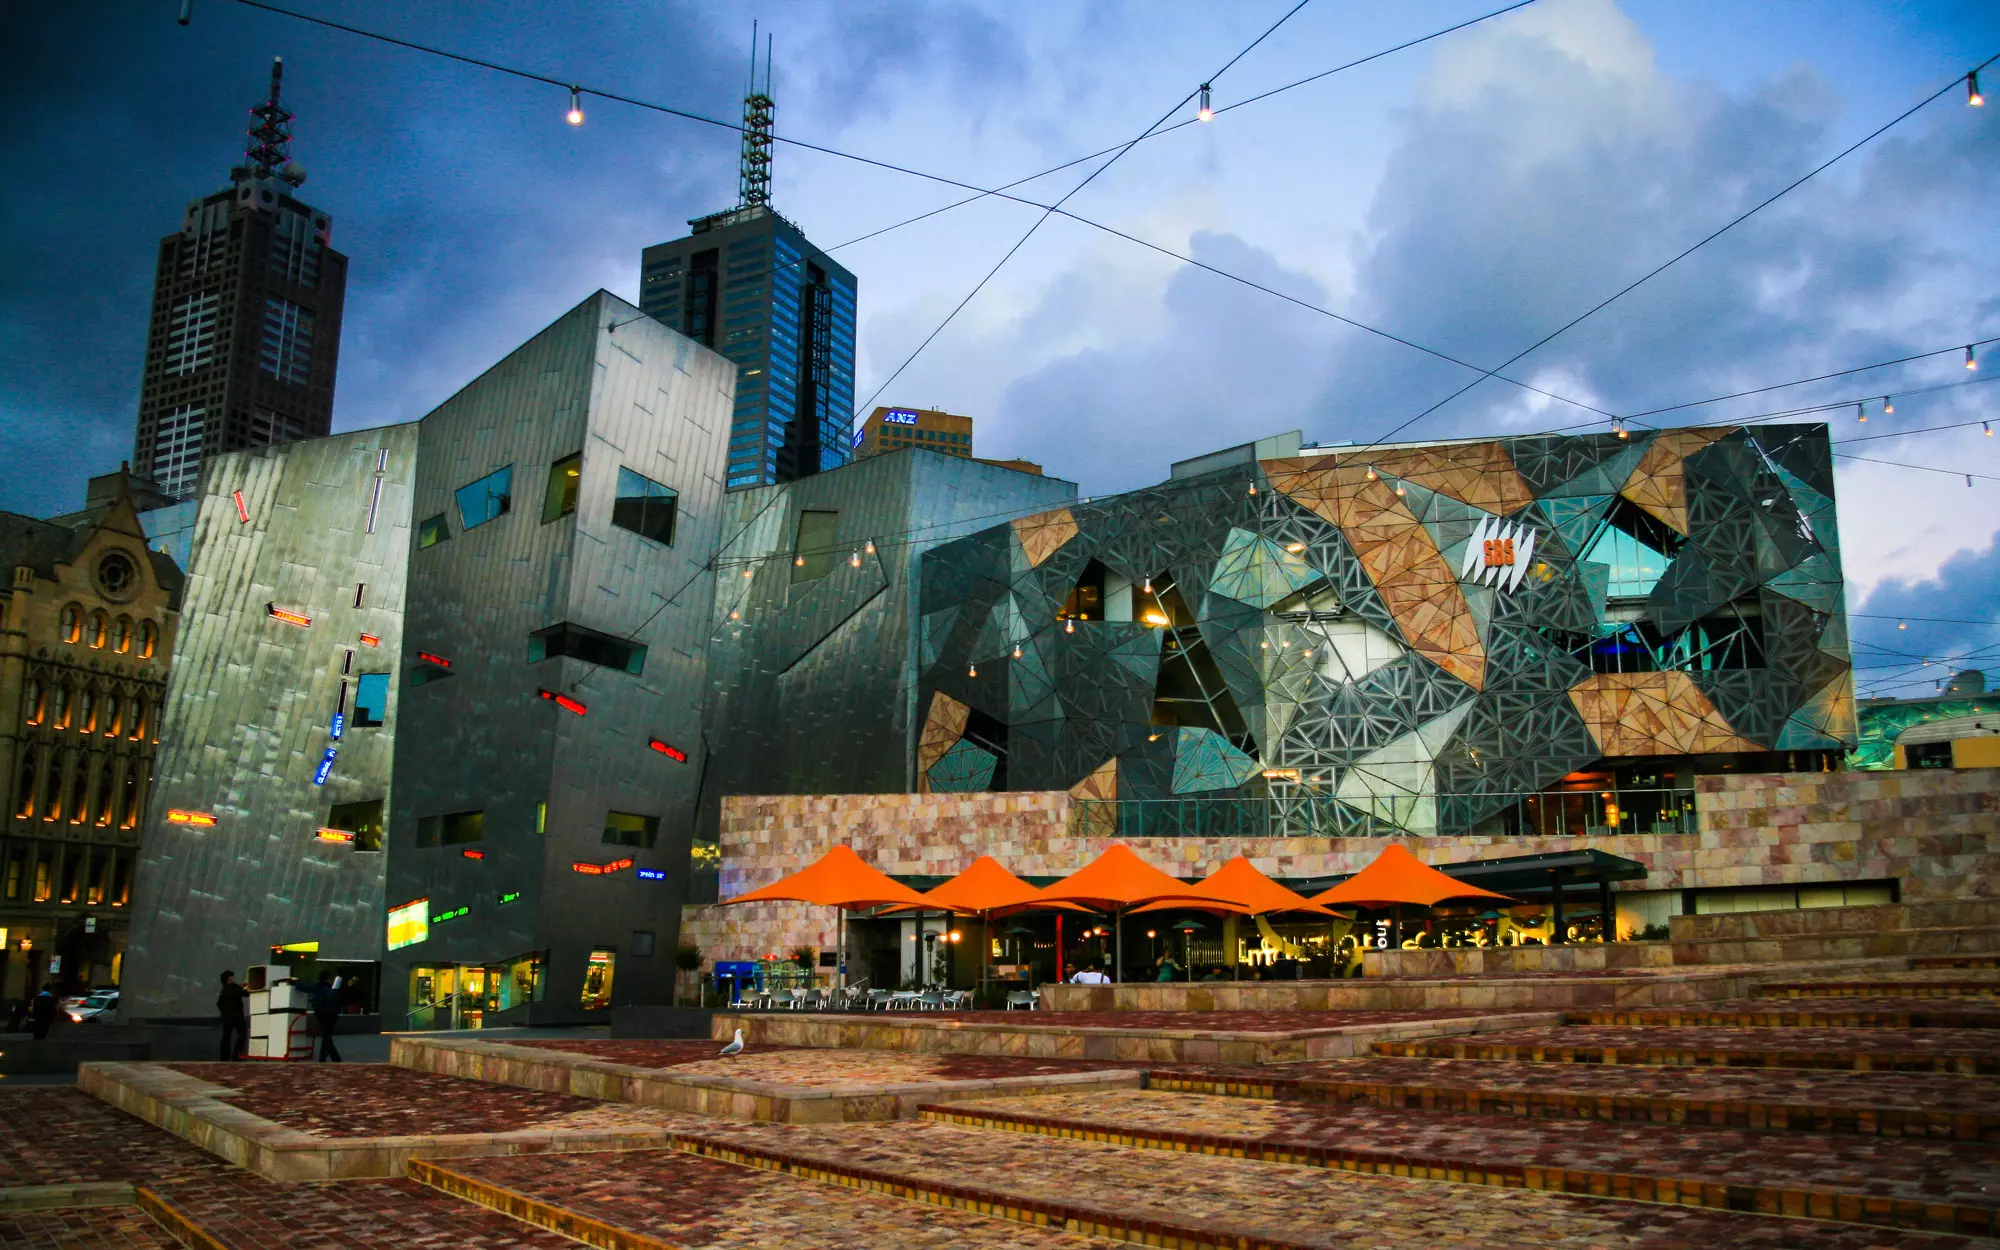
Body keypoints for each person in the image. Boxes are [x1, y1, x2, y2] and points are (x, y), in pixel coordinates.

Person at [306, 971, 342, 1062]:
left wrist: (296, 982)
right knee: (326, 1036)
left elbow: (304, 988)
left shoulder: (317, 987)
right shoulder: (332, 988)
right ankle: (322, 1057)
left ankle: (335, 1058)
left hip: (323, 1014)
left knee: (326, 1038)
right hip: (332, 1015)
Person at [217, 970, 249, 1061]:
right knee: (242, 1034)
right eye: (230, 979)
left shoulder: (225, 990)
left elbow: (219, 1004)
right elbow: (245, 993)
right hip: (236, 1016)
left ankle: (225, 1058)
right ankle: (236, 1056)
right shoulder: (233, 988)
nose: (232, 980)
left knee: (226, 1037)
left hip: (228, 1016)